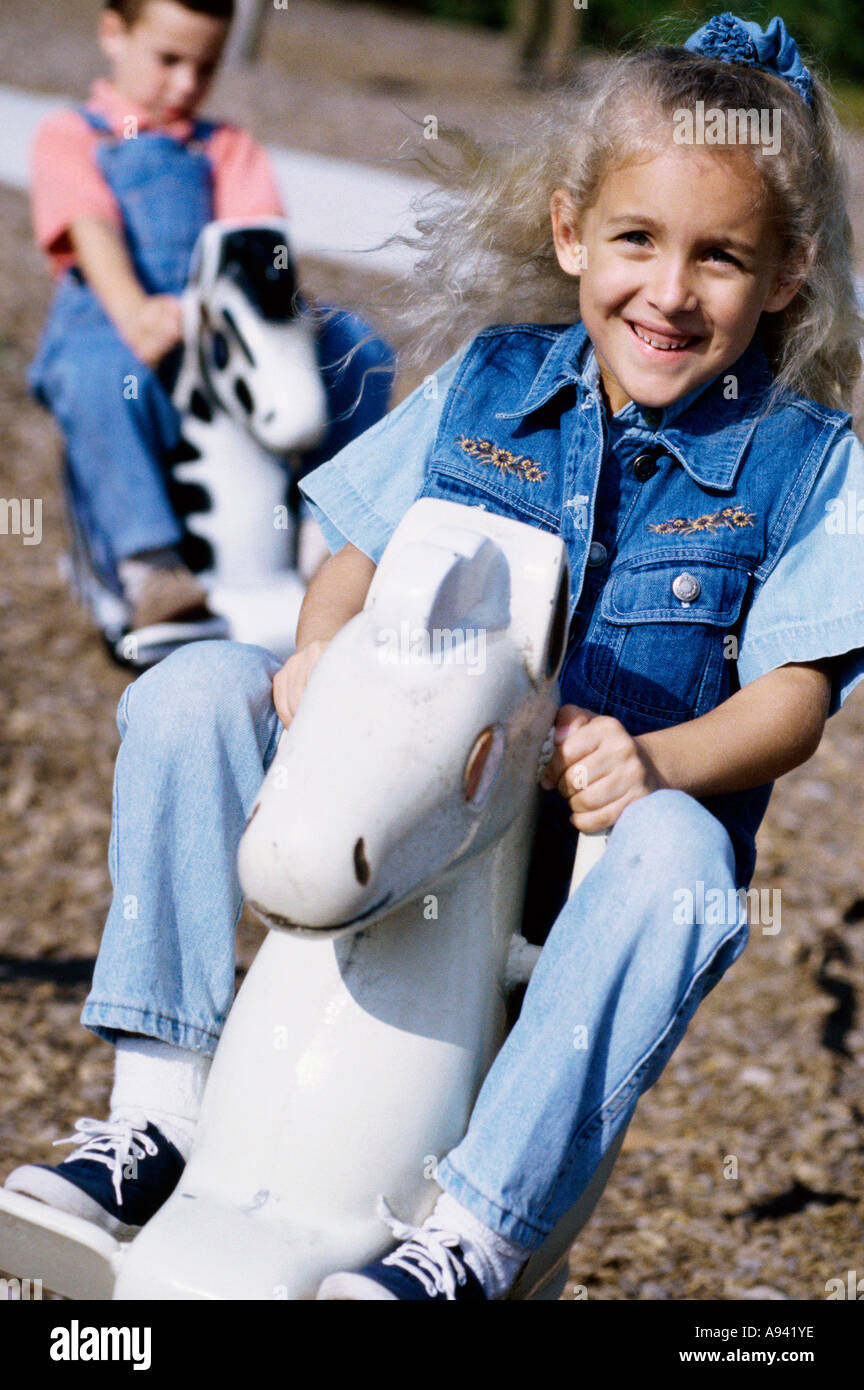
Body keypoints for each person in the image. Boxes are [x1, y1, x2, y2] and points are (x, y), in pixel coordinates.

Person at [6, 14, 864, 1299]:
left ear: (788, 272)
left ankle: (478, 1227)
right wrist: (314, 651)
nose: (671, 292)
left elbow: (794, 700)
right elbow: (355, 546)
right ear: (573, 231)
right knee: (190, 688)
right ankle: (157, 1106)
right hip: (409, 780)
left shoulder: (809, 463)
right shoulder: (487, 380)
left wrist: (655, 761)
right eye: (638, 239)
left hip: (584, 855)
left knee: (690, 856)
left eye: (722, 258)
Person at [28, 0, 393, 648]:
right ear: (115, 33)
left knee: (358, 346)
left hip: (219, 322)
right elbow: (93, 231)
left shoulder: (226, 147)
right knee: (95, 375)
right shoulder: (74, 135)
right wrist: (136, 309)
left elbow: (256, 246)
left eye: (206, 66)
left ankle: (330, 526)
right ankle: (150, 566)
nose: (186, 86)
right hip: (113, 318)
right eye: (169, 61)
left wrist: (278, 313)